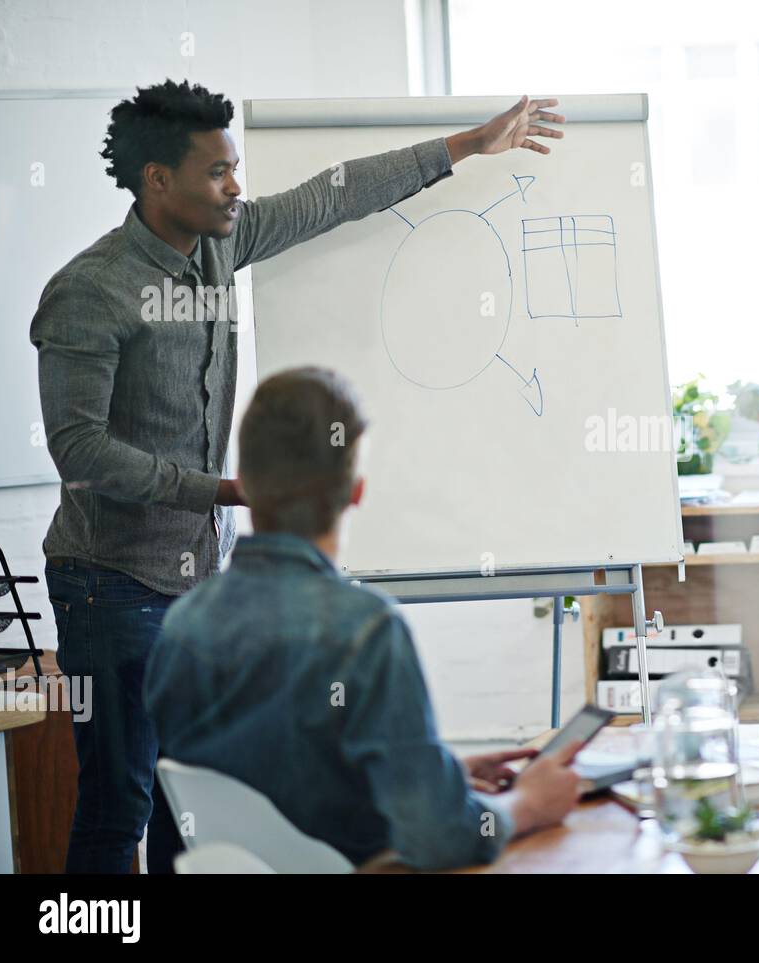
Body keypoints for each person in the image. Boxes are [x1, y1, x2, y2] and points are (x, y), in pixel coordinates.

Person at [31, 78, 565, 873]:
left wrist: (468, 145)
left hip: (194, 579)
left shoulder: (222, 242)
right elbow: (78, 452)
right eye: (218, 172)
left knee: (190, 811)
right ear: (159, 180)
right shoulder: (88, 291)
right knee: (121, 806)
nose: (236, 186)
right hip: (109, 580)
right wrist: (225, 490)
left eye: (236, 167)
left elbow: (334, 196)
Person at [145, 367, 582, 870]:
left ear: (245, 486)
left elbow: (278, 794)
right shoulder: (366, 631)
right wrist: (528, 804)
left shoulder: (181, 624)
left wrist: (434, 776)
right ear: (356, 491)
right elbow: (440, 841)